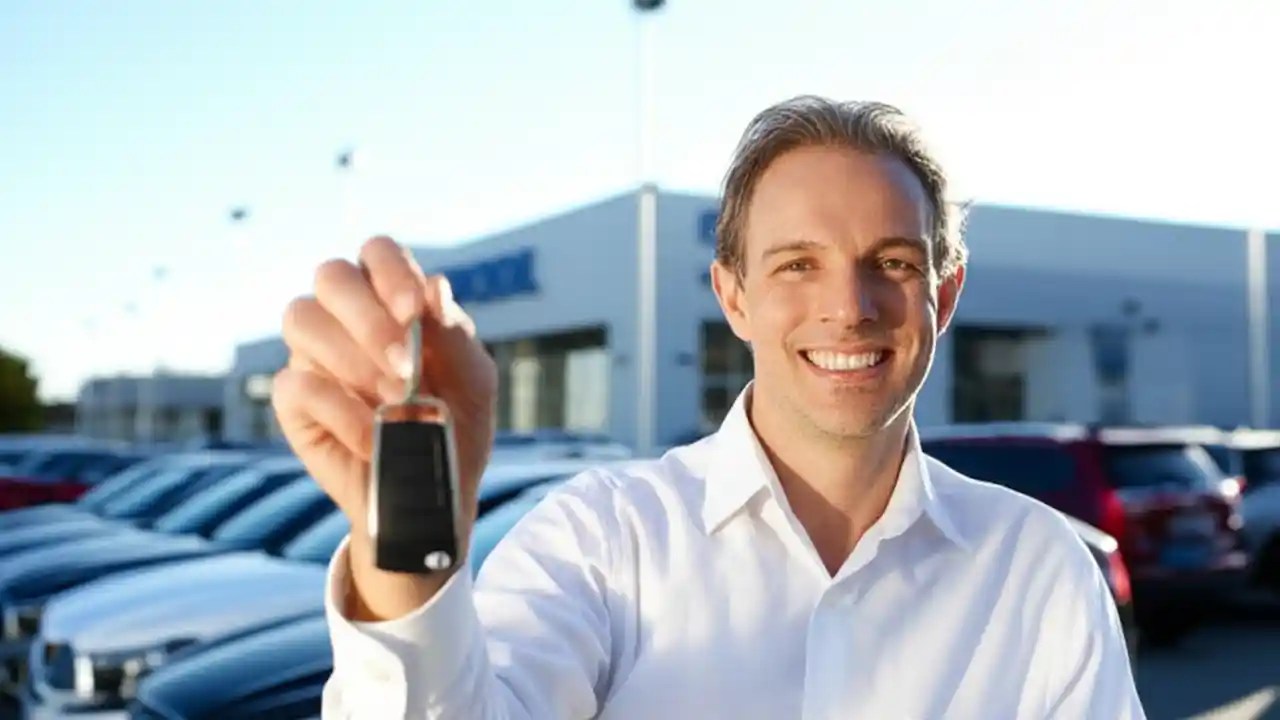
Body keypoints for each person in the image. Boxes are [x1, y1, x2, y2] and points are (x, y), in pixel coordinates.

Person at [272, 95, 1146, 719]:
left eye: (892, 262)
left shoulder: (1037, 569)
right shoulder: (603, 539)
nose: (850, 306)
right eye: (798, 263)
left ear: (943, 296)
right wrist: (409, 555)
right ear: (733, 298)